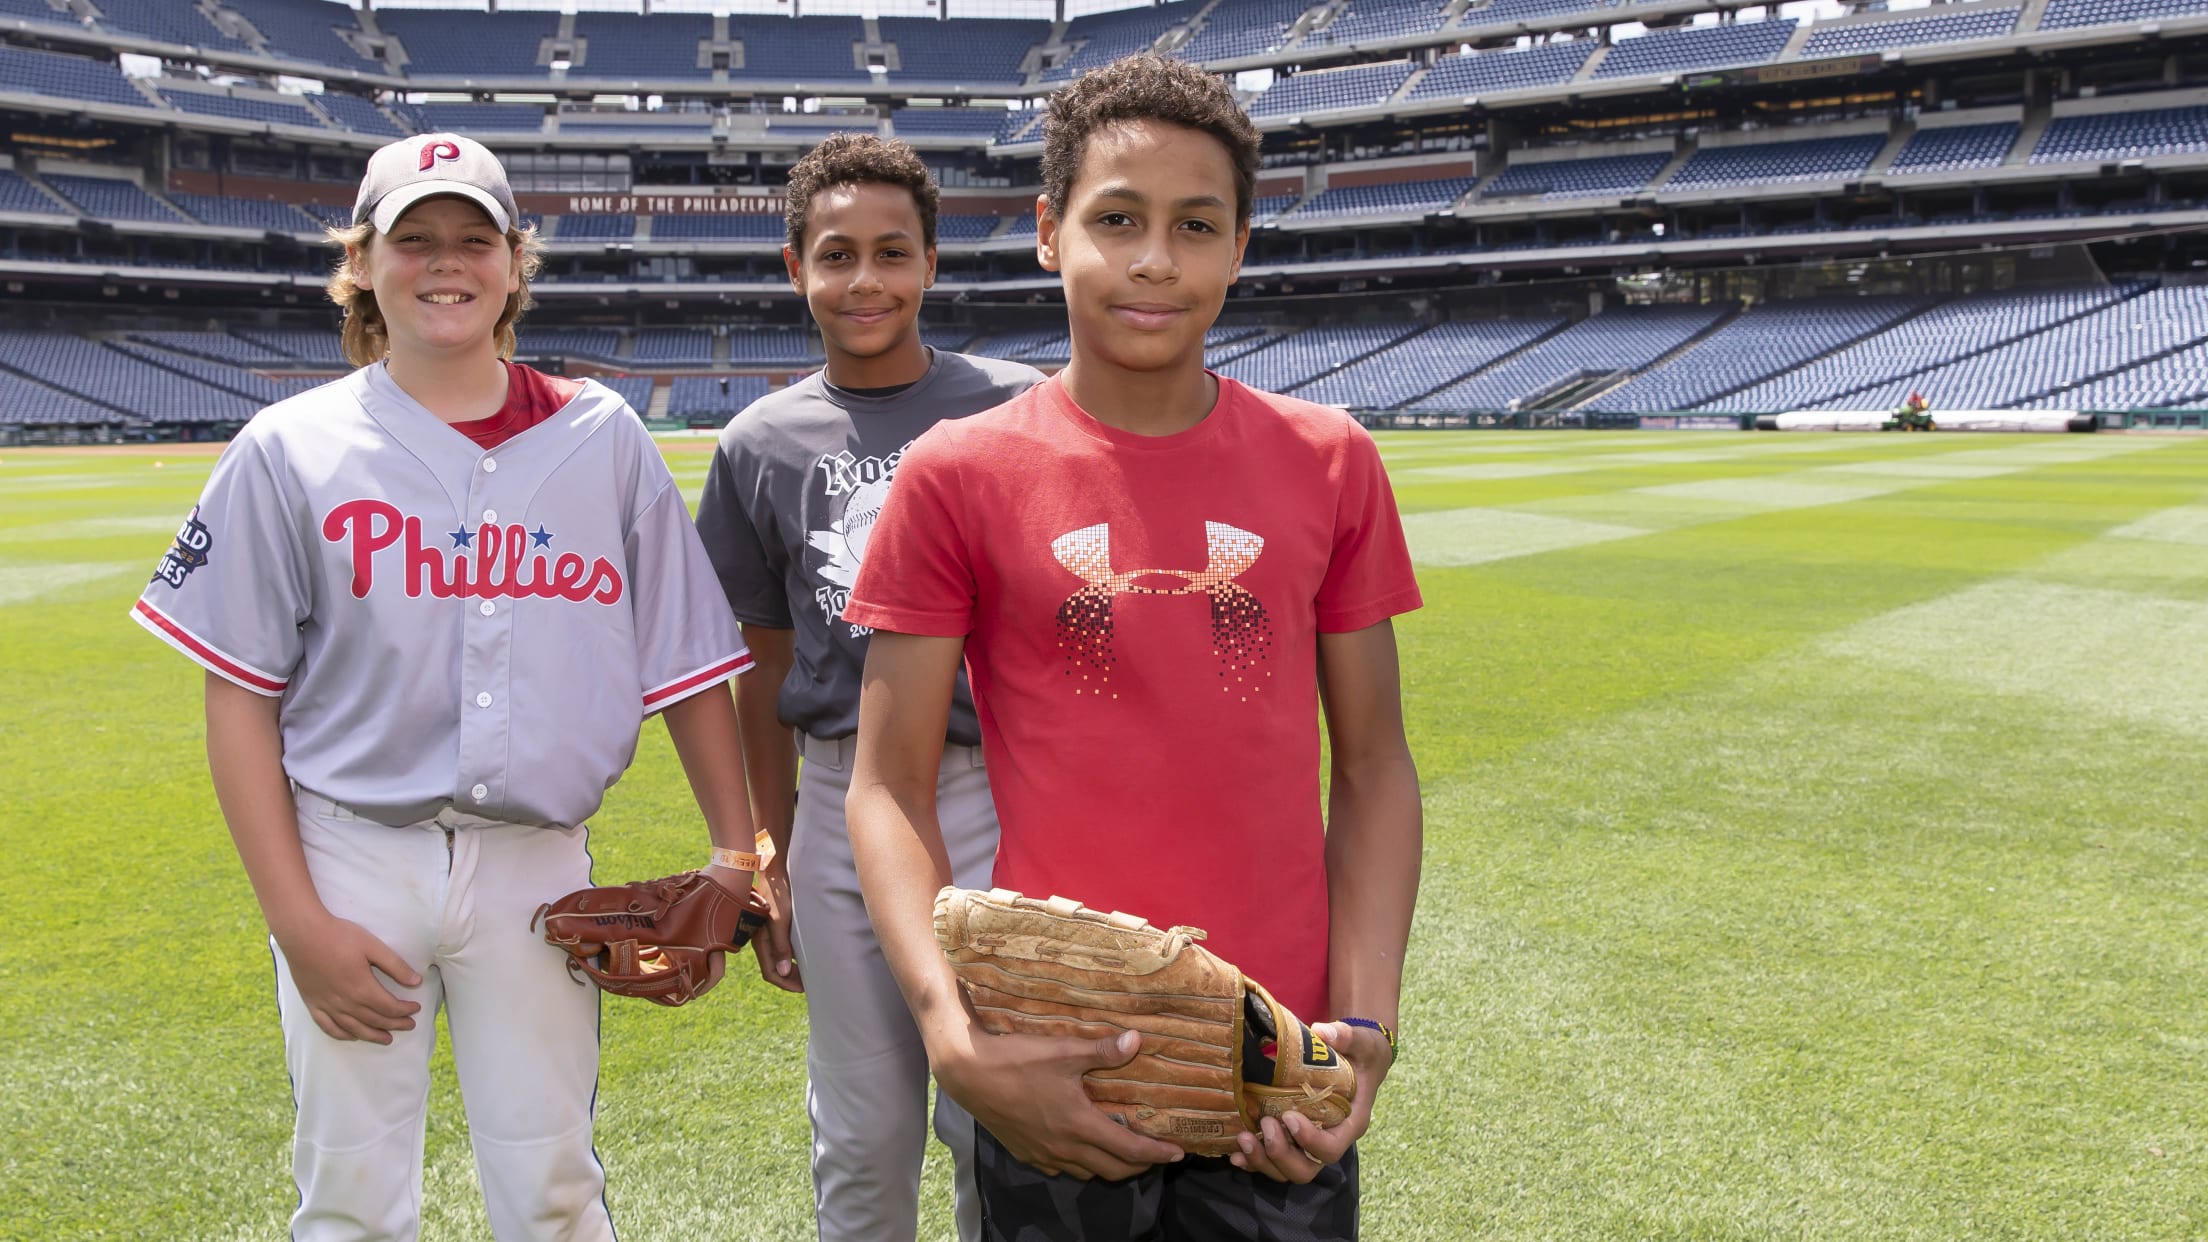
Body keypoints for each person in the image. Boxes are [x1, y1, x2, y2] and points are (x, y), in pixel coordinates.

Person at [131, 132, 759, 1242]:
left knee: (555, 1184)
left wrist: (735, 852)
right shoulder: (290, 445)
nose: (445, 263)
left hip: (538, 865)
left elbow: (688, 667)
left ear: (516, 263)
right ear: (363, 264)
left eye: (475, 238)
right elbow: (240, 700)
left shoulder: (601, 437)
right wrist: (297, 921)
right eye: (412, 240)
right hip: (350, 859)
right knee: (350, 1193)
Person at [840, 55, 1425, 1240]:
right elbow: (888, 787)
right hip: (1052, 1057)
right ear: (1051, 233)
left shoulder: (1330, 460)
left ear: (1240, 246)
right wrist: (955, 1041)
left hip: (1275, 1067)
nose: (1156, 259)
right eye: (1119, 219)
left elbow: (1373, 769)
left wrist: (1364, 1026)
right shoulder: (961, 472)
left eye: (1195, 225)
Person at [693, 130, 1043, 1242]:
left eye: (893, 252)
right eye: (836, 254)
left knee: (1002, 1118)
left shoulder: (1020, 406)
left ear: (932, 263)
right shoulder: (758, 443)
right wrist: (770, 851)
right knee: (861, 1133)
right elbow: (763, 662)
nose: (866, 281)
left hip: (1001, 790)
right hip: (842, 801)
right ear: (795, 268)